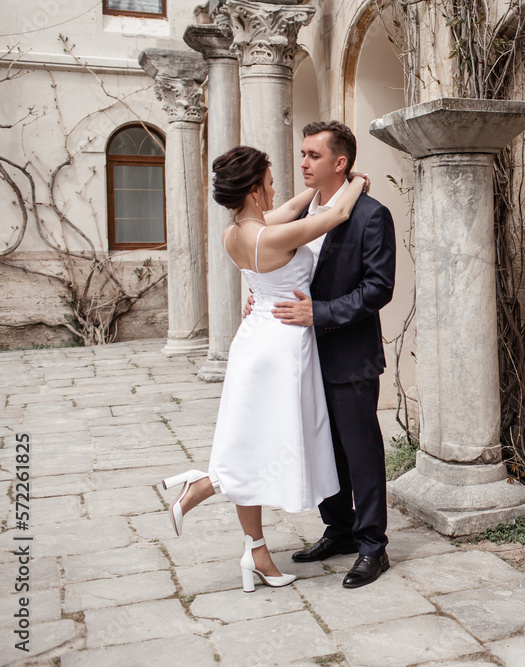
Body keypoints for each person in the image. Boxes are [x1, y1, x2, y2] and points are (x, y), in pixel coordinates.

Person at [161, 145, 368, 593]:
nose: (276, 191)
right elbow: (334, 216)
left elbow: (293, 208)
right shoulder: (271, 237)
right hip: (281, 346)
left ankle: (253, 547)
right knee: (271, 442)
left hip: (253, 337)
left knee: (249, 438)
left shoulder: (235, 233)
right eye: (270, 184)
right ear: (255, 191)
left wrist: (315, 190)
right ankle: (208, 483)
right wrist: (356, 182)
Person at [263, 120, 396, 589]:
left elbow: (378, 289)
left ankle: (373, 545)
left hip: (349, 355)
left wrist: (318, 313)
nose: (303, 162)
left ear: (340, 163)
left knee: (360, 452)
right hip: (300, 356)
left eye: (313, 155)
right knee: (321, 448)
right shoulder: (301, 214)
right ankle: (339, 529)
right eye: (302, 153)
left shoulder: (372, 215)